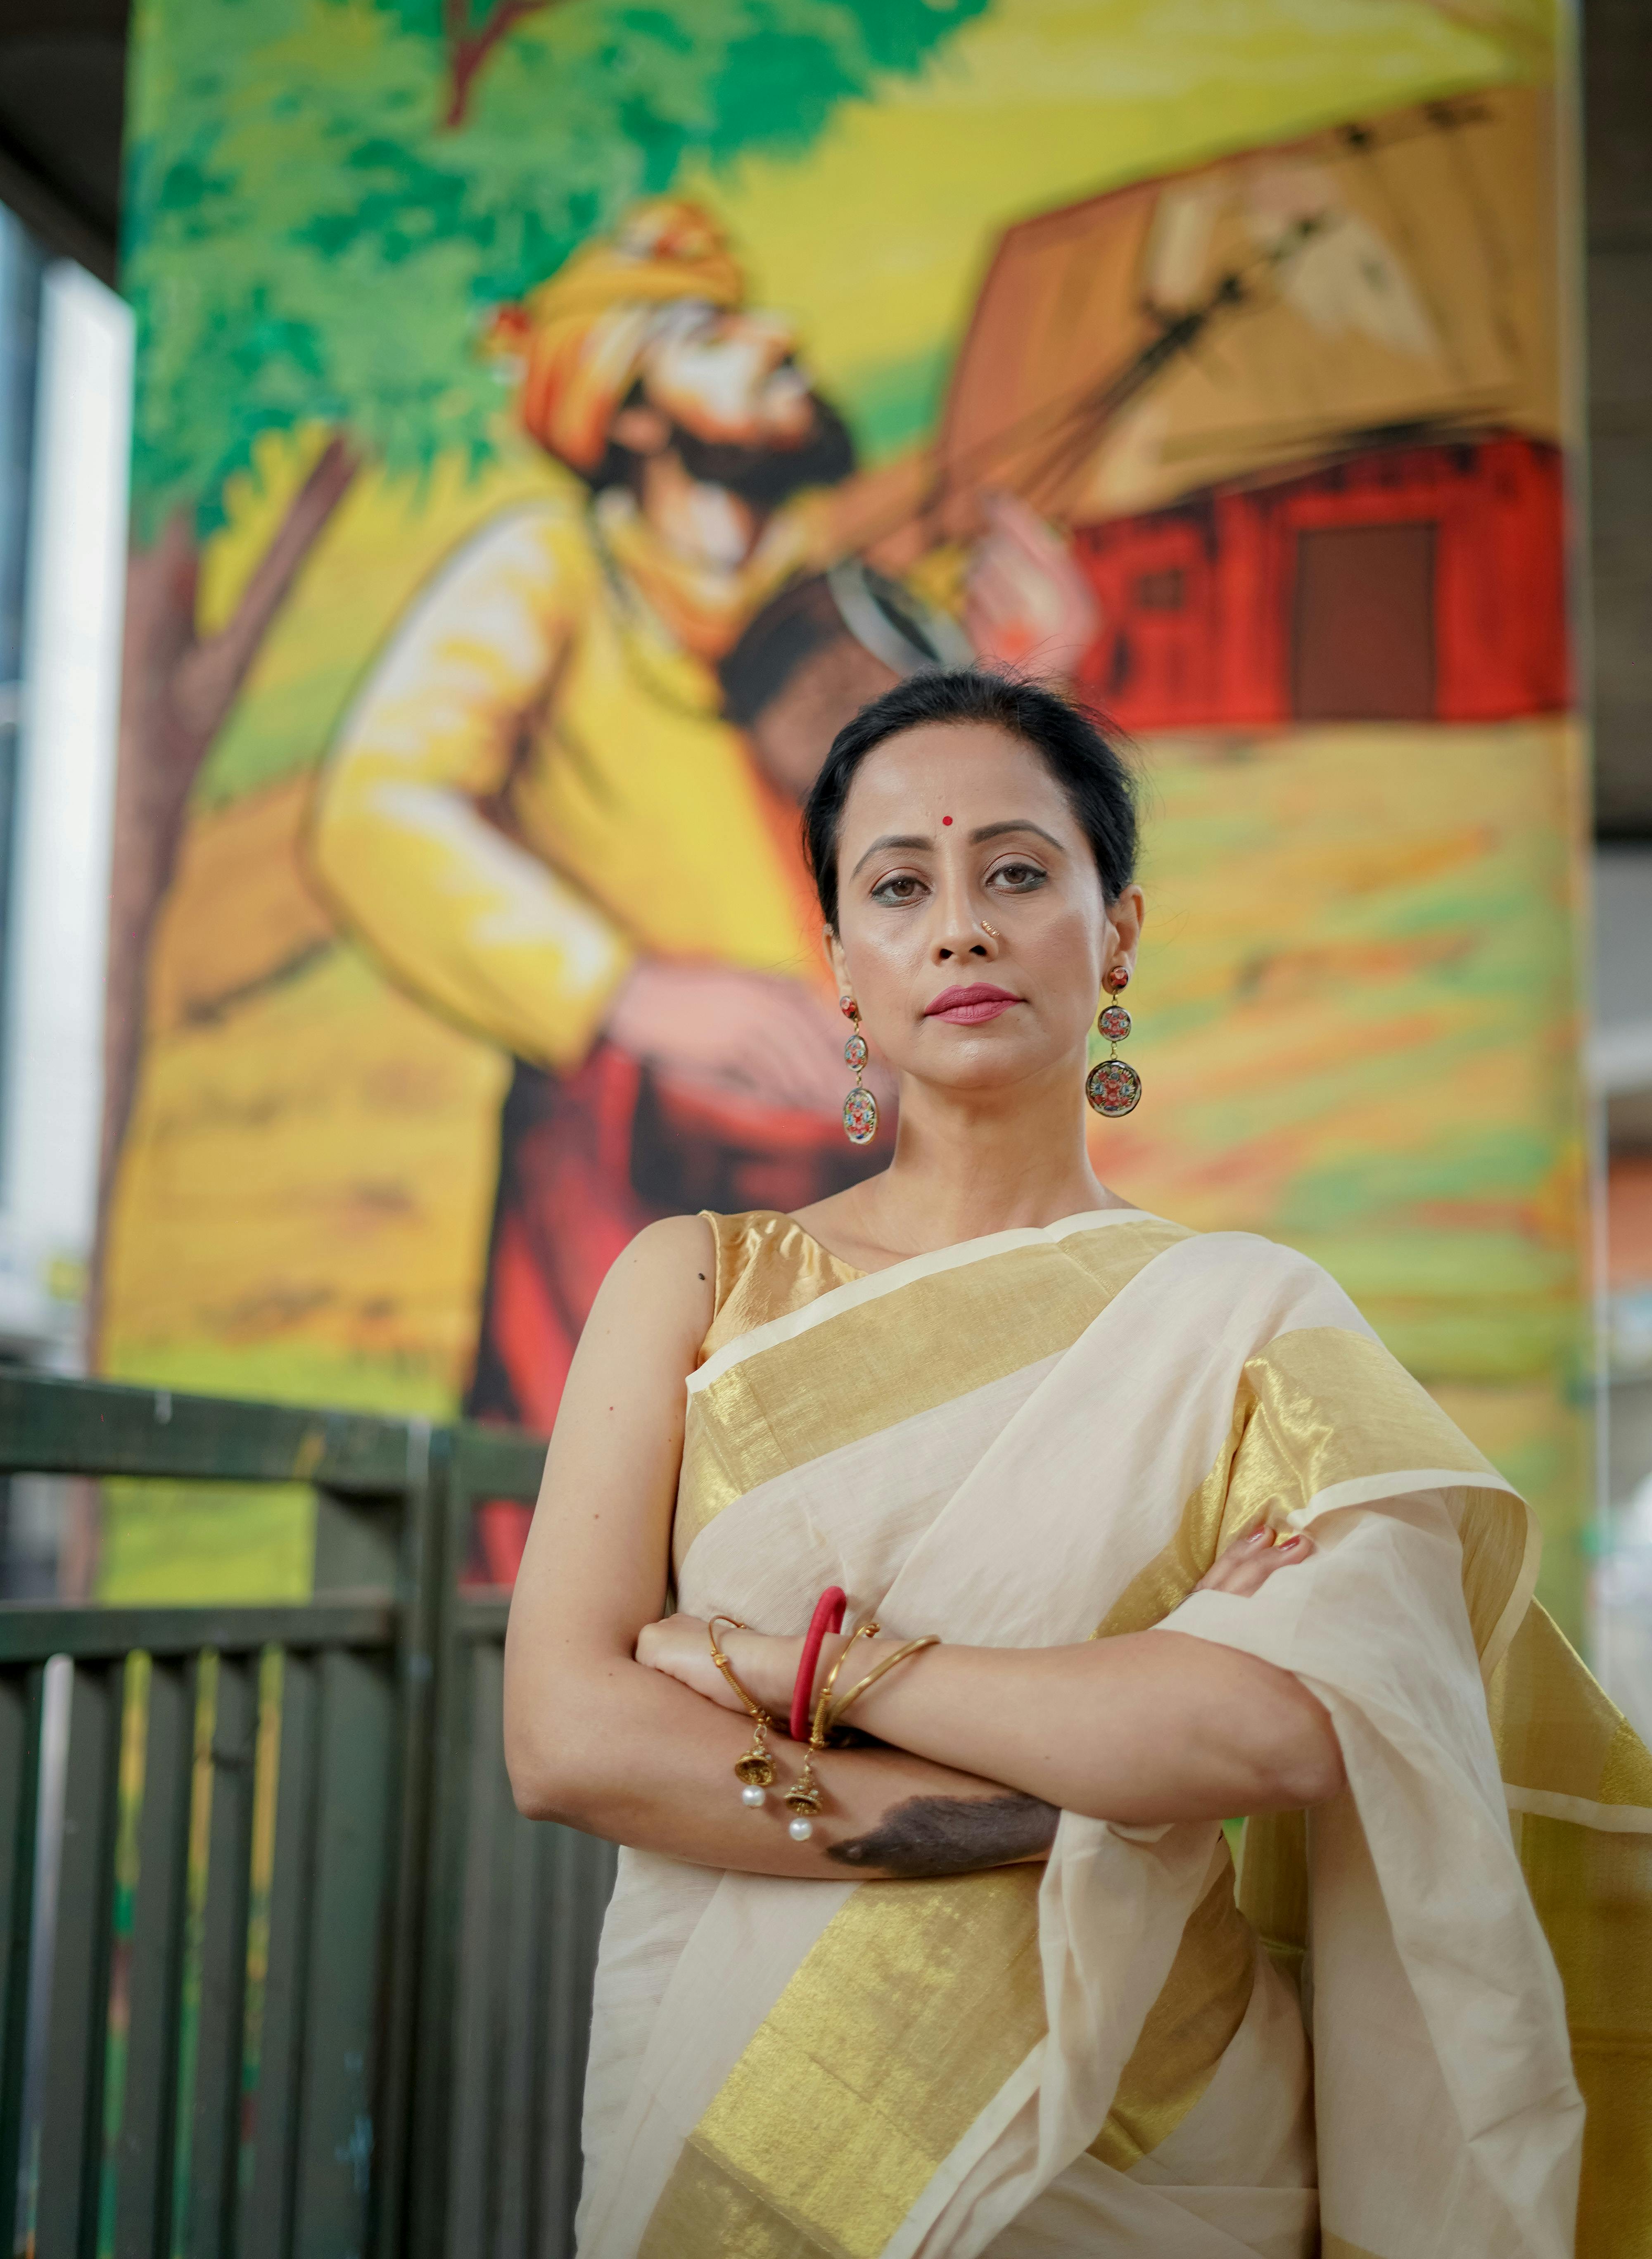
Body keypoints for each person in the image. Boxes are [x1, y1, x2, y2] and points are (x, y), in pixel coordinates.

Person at [506, 676, 1637, 2257]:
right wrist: (1071, 1782)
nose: (960, 926)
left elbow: (1269, 1729)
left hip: (1145, 2118)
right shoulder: (693, 1283)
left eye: (1019, 873)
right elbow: (565, 1737)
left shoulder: (1250, 1326)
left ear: (1116, 933)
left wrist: (777, 1666)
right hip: (735, 2099)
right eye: (899, 887)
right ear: (840, 965)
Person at [307, 201, 914, 1484]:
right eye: (706, 327)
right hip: (634, 1163)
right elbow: (376, 808)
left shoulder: (835, 602)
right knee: (604, 1546)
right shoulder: (551, 571)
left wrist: (1040, 676)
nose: (775, 337)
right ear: (630, 412)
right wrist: (630, 990)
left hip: (850, 1167)